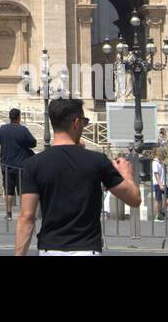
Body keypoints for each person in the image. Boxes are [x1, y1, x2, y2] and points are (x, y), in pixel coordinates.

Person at [14, 98, 139, 256]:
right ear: (76, 122)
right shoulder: (97, 161)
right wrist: (127, 174)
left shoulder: (34, 164)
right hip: (86, 249)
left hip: (50, 249)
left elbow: (26, 217)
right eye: (84, 122)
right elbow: (134, 199)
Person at [0, 108, 37, 218]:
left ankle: (8, 213)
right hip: (21, 165)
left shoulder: (3, 129)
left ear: (9, 117)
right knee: (23, 190)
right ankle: (24, 212)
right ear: (19, 117)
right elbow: (33, 143)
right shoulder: (23, 130)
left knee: (8, 190)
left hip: (6, 164)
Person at [150, 152, 168, 220]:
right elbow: (156, 174)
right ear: (160, 155)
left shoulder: (161, 163)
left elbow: (165, 172)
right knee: (158, 200)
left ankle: (162, 211)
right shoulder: (155, 162)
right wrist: (160, 184)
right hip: (158, 184)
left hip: (163, 183)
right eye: (164, 156)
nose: (164, 158)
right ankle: (157, 216)